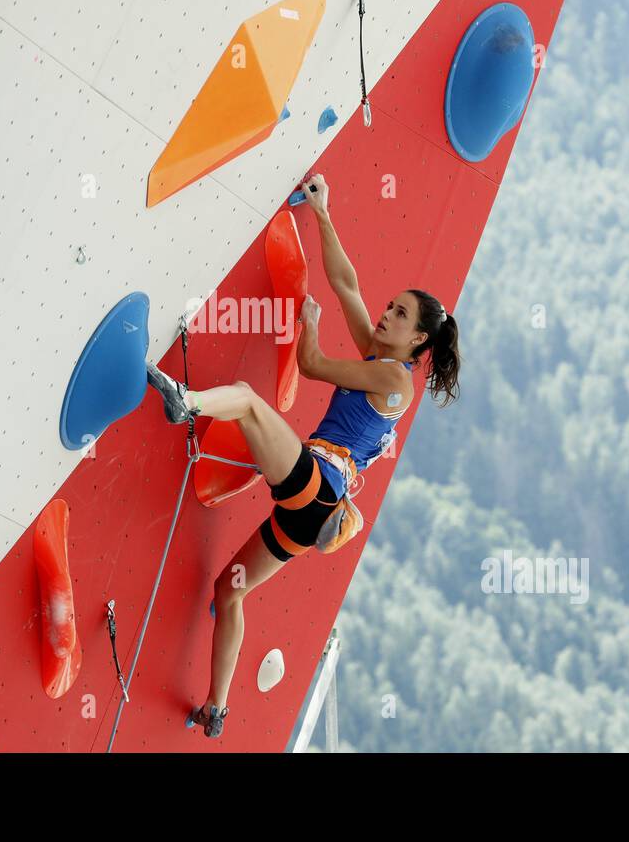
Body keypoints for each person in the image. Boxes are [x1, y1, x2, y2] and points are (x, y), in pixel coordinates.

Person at [145, 174, 462, 739]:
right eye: (392, 307)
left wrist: (309, 326)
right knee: (229, 590)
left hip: (317, 484)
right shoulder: (384, 359)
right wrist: (323, 213)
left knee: (243, 398)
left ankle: (184, 401)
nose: (386, 315)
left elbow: (313, 365)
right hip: (309, 510)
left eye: (400, 316)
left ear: (417, 341)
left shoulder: (394, 378)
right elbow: (347, 285)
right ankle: (217, 708)